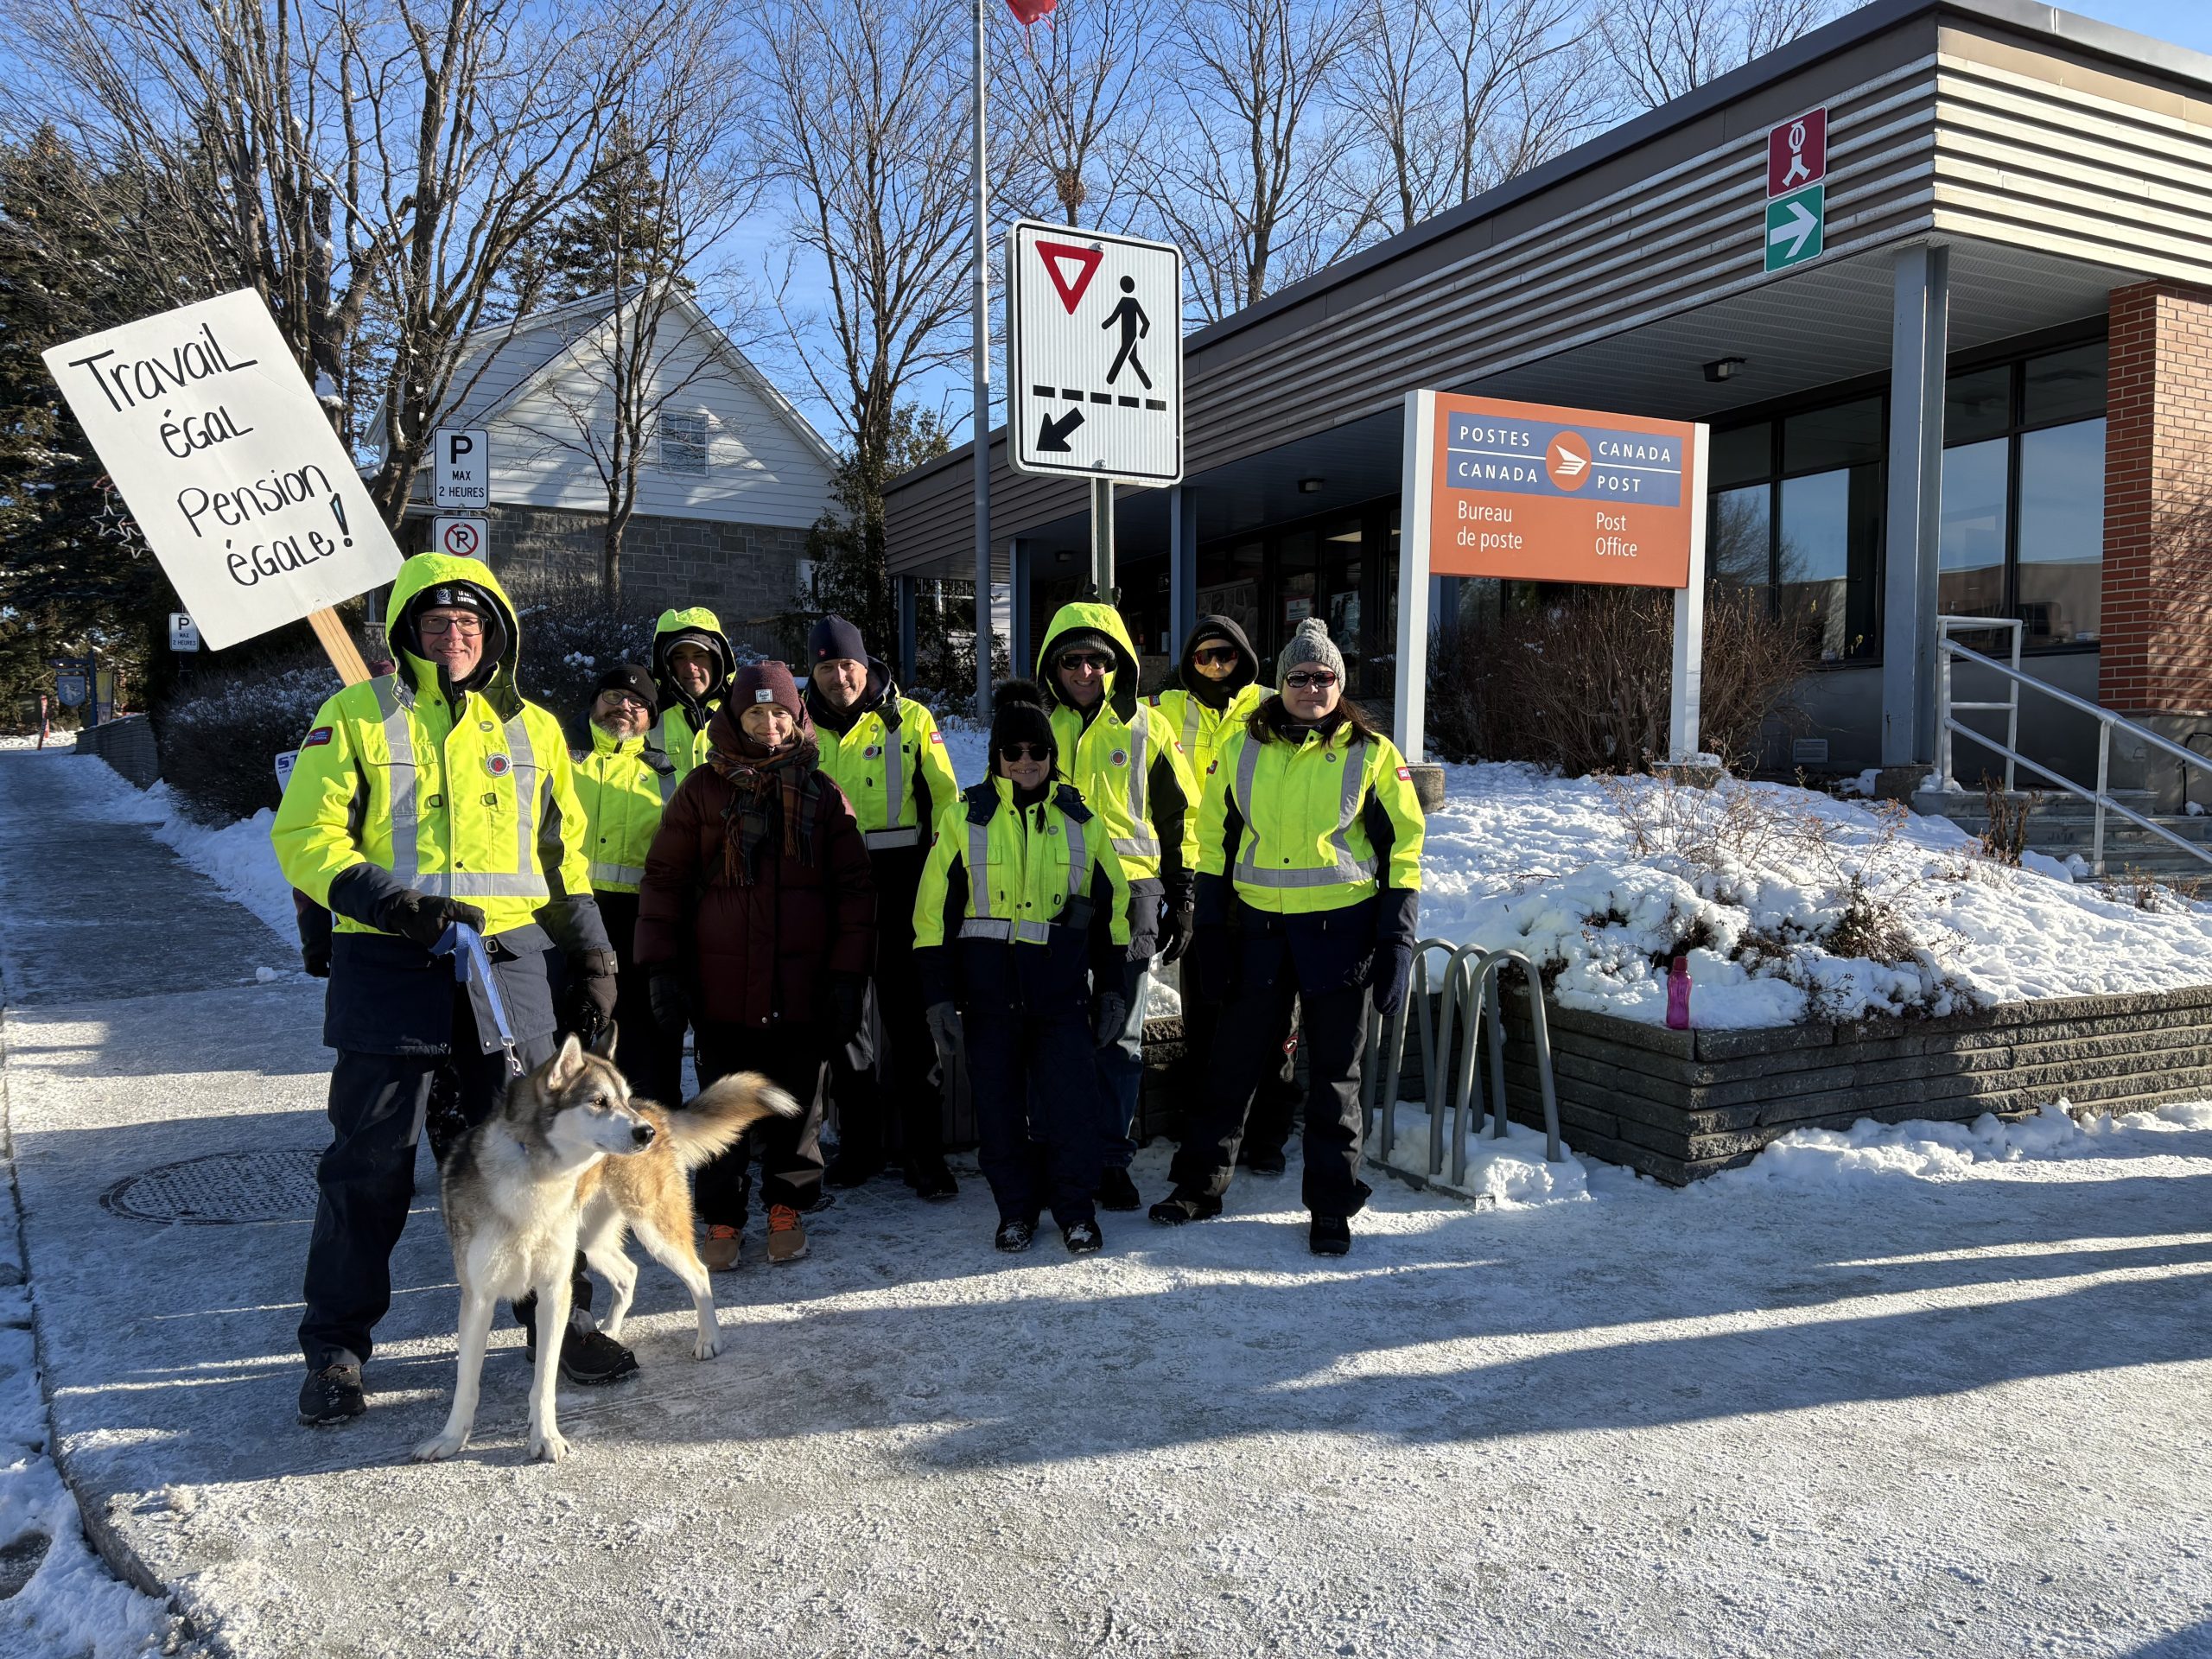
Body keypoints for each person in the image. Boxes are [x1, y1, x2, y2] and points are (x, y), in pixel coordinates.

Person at [272, 553, 635, 1428]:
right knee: (369, 1165)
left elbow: (560, 857)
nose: (455, 636)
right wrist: (393, 905)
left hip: (507, 965)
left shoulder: (536, 730)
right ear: (405, 634)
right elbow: (304, 837)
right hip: (389, 962)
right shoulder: (354, 716)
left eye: (472, 622)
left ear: (498, 633)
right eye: (436, 623)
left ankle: (560, 1316)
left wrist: (590, 956)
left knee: (542, 1163)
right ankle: (337, 1350)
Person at [1149, 618, 1426, 1256]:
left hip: (1342, 935)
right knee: (1231, 1063)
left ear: (1339, 684)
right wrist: (1211, 926)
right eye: (1298, 677)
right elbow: (1214, 843)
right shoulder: (1245, 748)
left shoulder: (1373, 754)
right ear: (1280, 684)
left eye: (1323, 677)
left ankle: (1332, 1205)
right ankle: (1199, 1185)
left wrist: (1397, 940)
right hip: (1260, 932)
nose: (1311, 687)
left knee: (1334, 1077)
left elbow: (1404, 852)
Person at [636, 662, 874, 1269]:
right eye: (754, 713)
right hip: (722, 986)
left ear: (796, 718)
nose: (767, 725)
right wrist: (661, 968)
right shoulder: (702, 790)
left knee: (796, 1101)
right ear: (734, 718)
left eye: (779, 714)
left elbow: (853, 893)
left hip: (803, 983)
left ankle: (787, 1202)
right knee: (723, 1105)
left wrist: (848, 976)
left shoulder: (821, 795)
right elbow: (665, 881)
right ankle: (720, 1214)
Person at [913, 681, 1145, 1254]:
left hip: (1060, 999)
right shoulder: (963, 817)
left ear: (1051, 756)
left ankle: (1074, 1212)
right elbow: (931, 915)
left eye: (1036, 752)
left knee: (1071, 1112)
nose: (1025, 763)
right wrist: (937, 995)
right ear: (996, 757)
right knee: (999, 1117)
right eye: (1012, 752)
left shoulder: (1081, 820)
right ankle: (1014, 1211)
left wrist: (1114, 988)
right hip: (988, 1000)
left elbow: (1115, 909)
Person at [1035, 601, 1199, 1212]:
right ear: (1053, 666)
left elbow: (1180, 816)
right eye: (1072, 660)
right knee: (1052, 1031)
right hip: (1049, 899)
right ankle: (1055, 1149)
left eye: (1097, 661)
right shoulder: (1035, 724)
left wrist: (1182, 895)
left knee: (1121, 1039)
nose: (1085, 671)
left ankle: (1110, 1158)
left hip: (1132, 898)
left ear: (1117, 665)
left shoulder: (1147, 727)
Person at [804, 614, 963, 1198]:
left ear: (865, 663)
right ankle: (863, 1148)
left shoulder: (911, 719)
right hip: (830, 891)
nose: (839, 676)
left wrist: (943, 889)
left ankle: (925, 1154)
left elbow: (946, 808)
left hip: (903, 888)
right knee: (843, 1025)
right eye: (825, 667)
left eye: (847, 663)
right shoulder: (798, 728)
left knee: (910, 1024)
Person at [1149, 616, 1300, 1174]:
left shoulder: (1273, 704)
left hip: (1268, 879)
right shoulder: (1163, 709)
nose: (1215, 666)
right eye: (1203, 657)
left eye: (1226, 656)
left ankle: (1269, 1134)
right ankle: (1204, 1126)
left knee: (1276, 1014)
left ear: (1245, 658)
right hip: (1199, 880)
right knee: (1206, 1009)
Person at [570, 663, 681, 1105]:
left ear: (651, 719)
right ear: (594, 703)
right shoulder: (562, 757)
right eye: (614, 697)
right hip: (569, 915)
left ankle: (653, 1136)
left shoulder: (667, 776)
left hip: (638, 923)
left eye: (638, 704)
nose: (625, 708)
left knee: (643, 1037)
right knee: (571, 1035)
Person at [652, 607, 734, 781]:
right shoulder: (649, 716)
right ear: (668, 665)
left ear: (717, 661)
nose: (690, 667)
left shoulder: (741, 712)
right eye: (680, 657)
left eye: (699, 656)